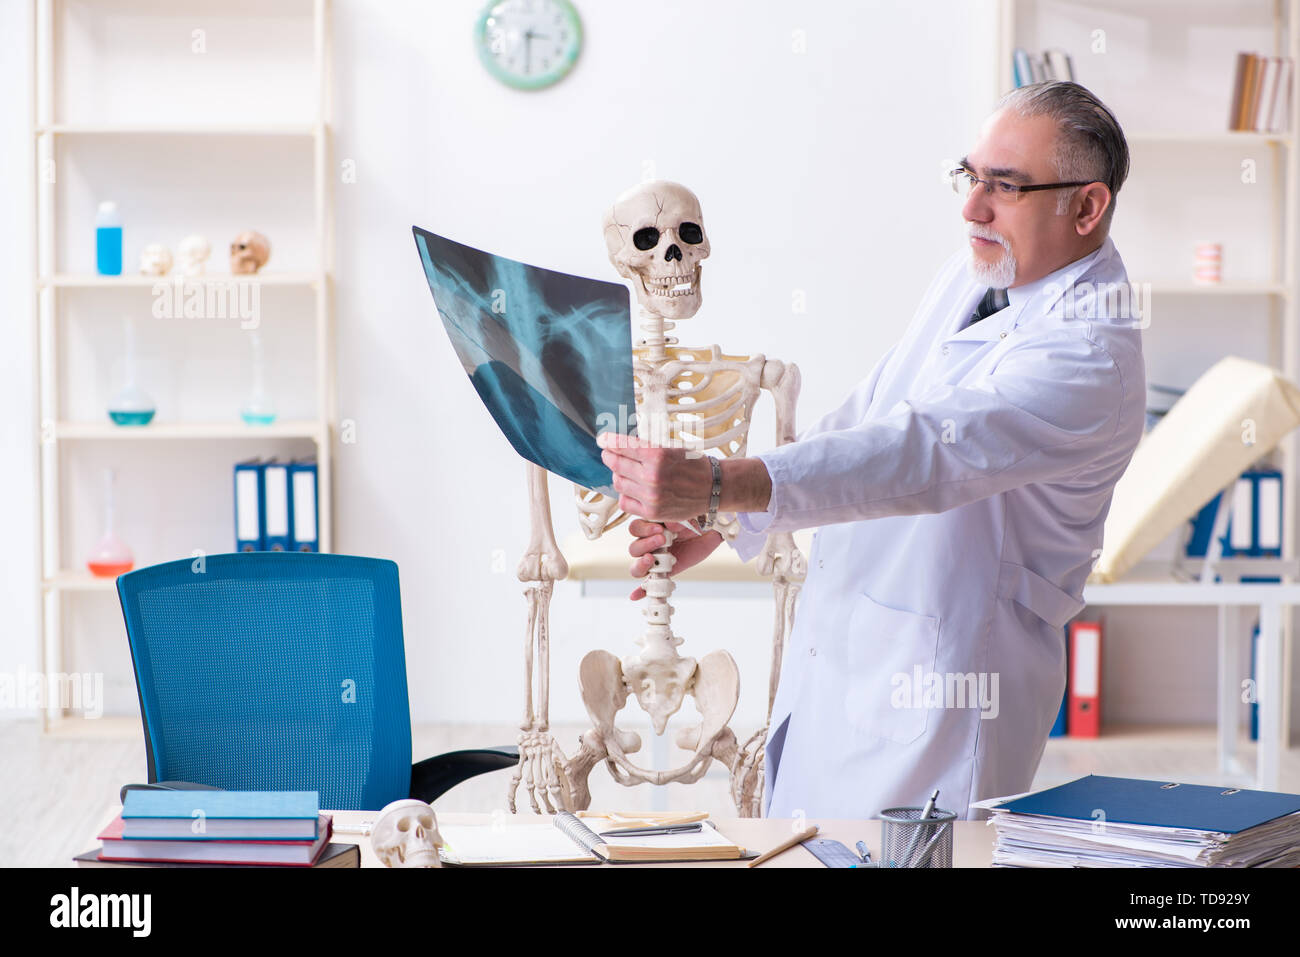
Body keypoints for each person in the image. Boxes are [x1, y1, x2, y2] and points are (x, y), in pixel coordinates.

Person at [596, 81, 1145, 820]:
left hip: (945, 696)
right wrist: (728, 517)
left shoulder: (1090, 355)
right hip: (854, 651)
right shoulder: (980, 268)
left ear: (1087, 207)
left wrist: (725, 482)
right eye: (971, 176)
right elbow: (872, 414)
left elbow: (923, 453)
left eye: (1005, 186)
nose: (972, 207)